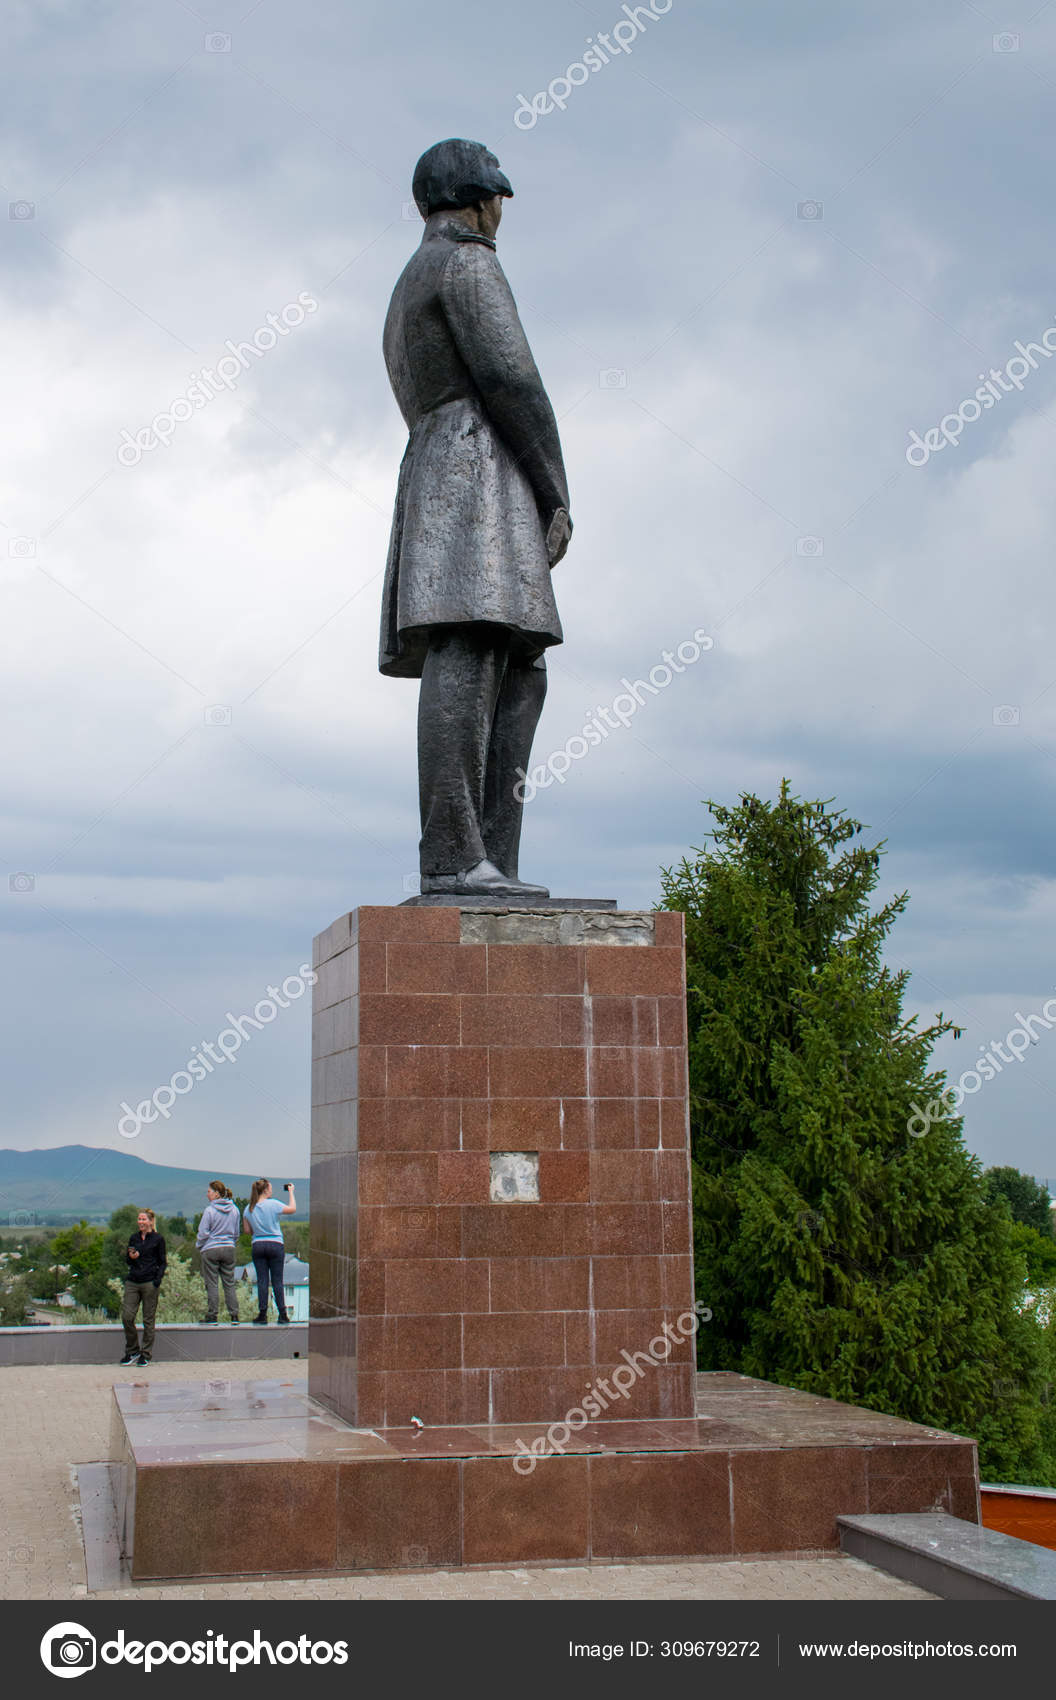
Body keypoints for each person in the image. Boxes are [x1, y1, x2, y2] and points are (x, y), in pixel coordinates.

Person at [380, 138, 572, 897]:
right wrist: (554, 487)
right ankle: (460, 858)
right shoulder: (466, 263)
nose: (503, 213)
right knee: (474, 651)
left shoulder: (409, 279)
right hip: (476, 468)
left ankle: (489, 861)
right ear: (477, 197)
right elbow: (511, 378)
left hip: (444, 462)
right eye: (499, 197)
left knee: (518, 666)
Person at [243, 1178, 296, 1324]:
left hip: (258, 1245)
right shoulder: (273, 1204)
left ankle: (262, 1314)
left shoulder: (248, 1209)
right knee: (277, 1280)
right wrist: (291, 1193)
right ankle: (283, 1314)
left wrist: (259, 1229)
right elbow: (292, 1209)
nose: (272, 1191)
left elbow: (247, 1230)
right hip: (275, 1244)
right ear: (266, 1190)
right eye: (270, 1188)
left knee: (262, 1280)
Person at [120, 1208, 166, 1366]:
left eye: (143, 1219)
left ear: (151, 1221)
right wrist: (132, 1257)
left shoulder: (158, 1239)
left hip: (149, 1283)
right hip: (133, 1281)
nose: (140, 1222)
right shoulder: (134, 1238)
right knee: (127, 1316)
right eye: (139, 1219)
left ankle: (145, 1354)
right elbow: (128, 1260)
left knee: (148, 1319)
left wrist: (157, 1280)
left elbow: (162, 1261)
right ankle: (132, 1350)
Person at [195, 1180, 242, 1324]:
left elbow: (203, 1232)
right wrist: (230, 1243)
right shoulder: (234, 1210)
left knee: (212, 1283)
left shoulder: (210, 1210)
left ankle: (213, 1315)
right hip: (228, 1248)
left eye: (209, 1191)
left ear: (216, 1194)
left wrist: (200, 1246)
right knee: (229, 1282)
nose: (207, 1194)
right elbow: (236, 1233)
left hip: (211, 1249)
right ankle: (234, 1315)